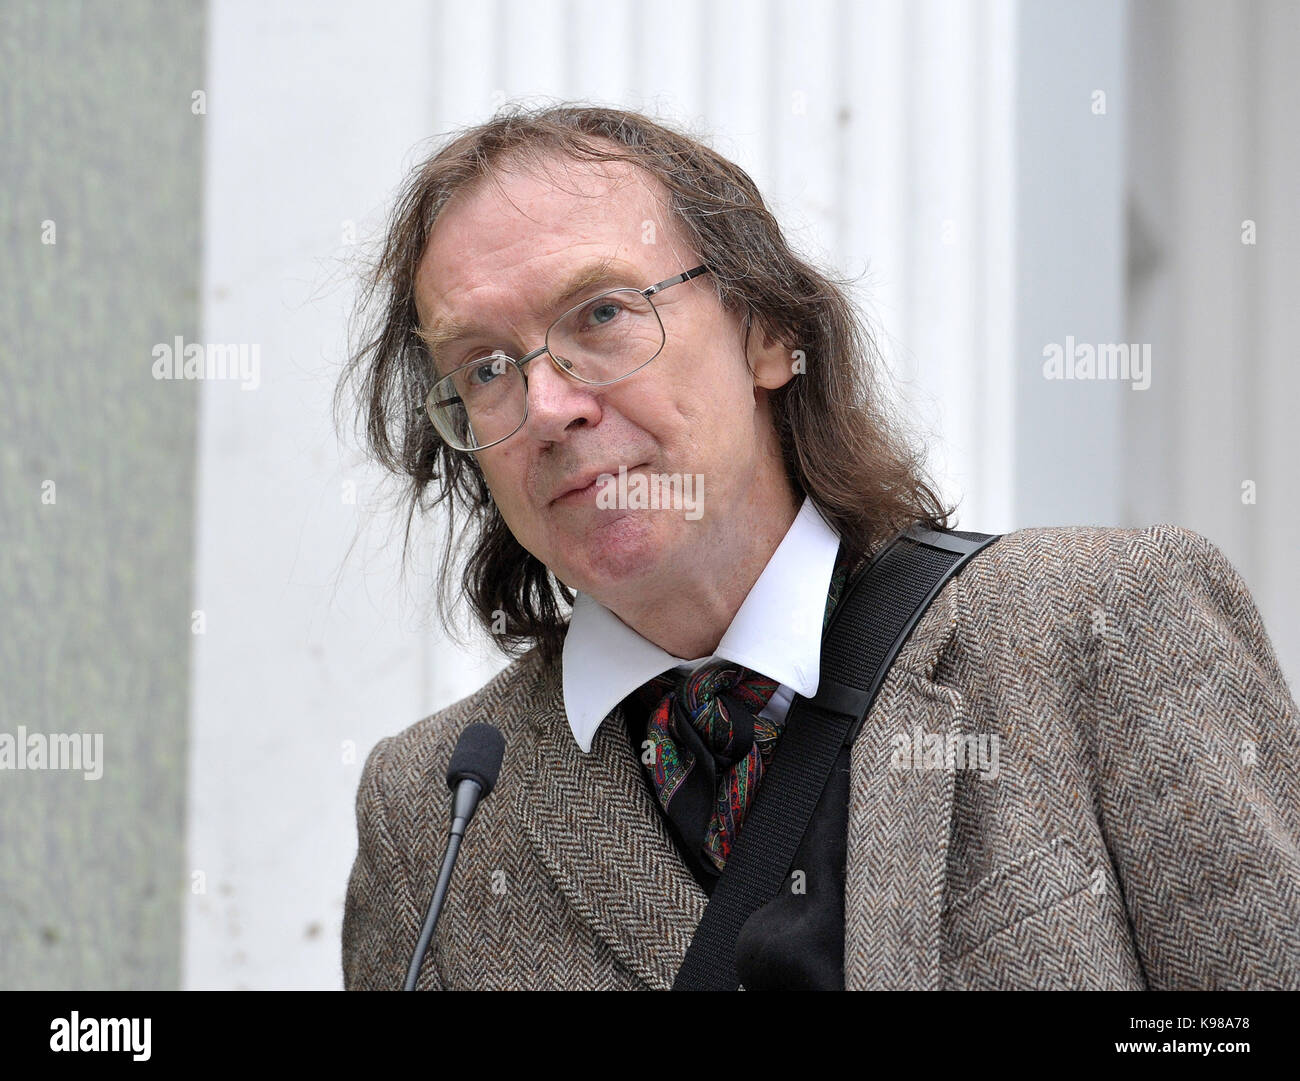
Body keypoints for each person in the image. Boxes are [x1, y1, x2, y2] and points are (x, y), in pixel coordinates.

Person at [338, 104, 1300, 990]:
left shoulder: (1102, 629)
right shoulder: (431, 815)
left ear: (766, 333)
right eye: (485, 368)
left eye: (600, 313)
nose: (548, 406)